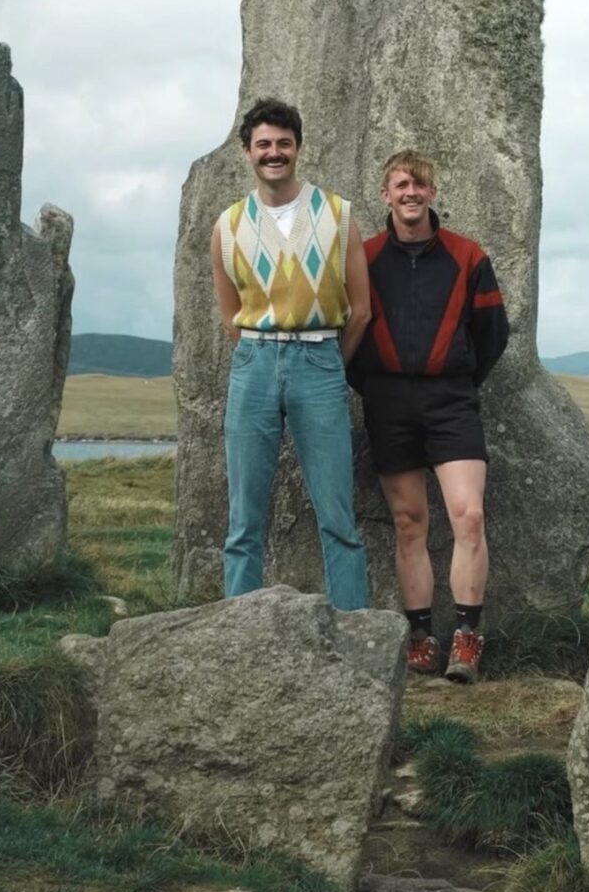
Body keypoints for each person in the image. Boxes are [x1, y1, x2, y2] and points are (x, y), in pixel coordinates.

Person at [349, 151, 508, 682]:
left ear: (433, 193)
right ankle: (421, 638)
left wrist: (456, 375)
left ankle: (466, 638)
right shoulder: (364, 257)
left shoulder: (467, 256)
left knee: (469, 516)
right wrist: (373, 382)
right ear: (385, 194)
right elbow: (348, 330)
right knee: (408, 523)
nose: (410, 193)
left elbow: (492, 334)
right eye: (400, 185)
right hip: (387, 402)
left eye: (419, 185)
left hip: (451, 401)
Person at [210, 97, 372, 610]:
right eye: (263, 144)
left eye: (283, 143)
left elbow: (361, 309)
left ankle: (354, 635)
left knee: (338, 518)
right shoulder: (227, 226)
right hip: (254, 363)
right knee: (243, 521)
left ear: (298, 148)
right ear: (246, 152)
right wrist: (266, 353)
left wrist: (325, 363)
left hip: (320, 359)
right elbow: (230, 313)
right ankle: (239, 635)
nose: (273, 152)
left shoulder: (339, 216)